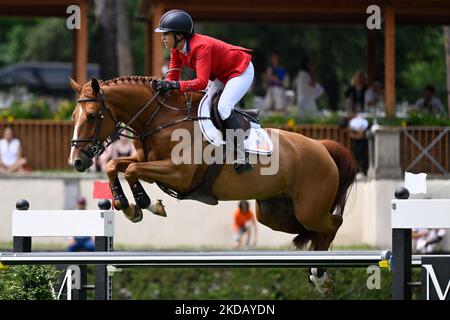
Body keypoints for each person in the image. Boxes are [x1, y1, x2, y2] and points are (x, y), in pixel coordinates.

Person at [153, 9, 254, 174]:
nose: (162, 38)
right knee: (203, 104)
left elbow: (200, 82)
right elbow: (172, 76)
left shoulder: (201, 46)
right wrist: (163, 87)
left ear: (179, 35)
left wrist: (174, 86)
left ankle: (241, 154)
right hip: (222, 75)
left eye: (166, 34)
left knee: (223, 107)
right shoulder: (176, 50)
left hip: (240, 71)